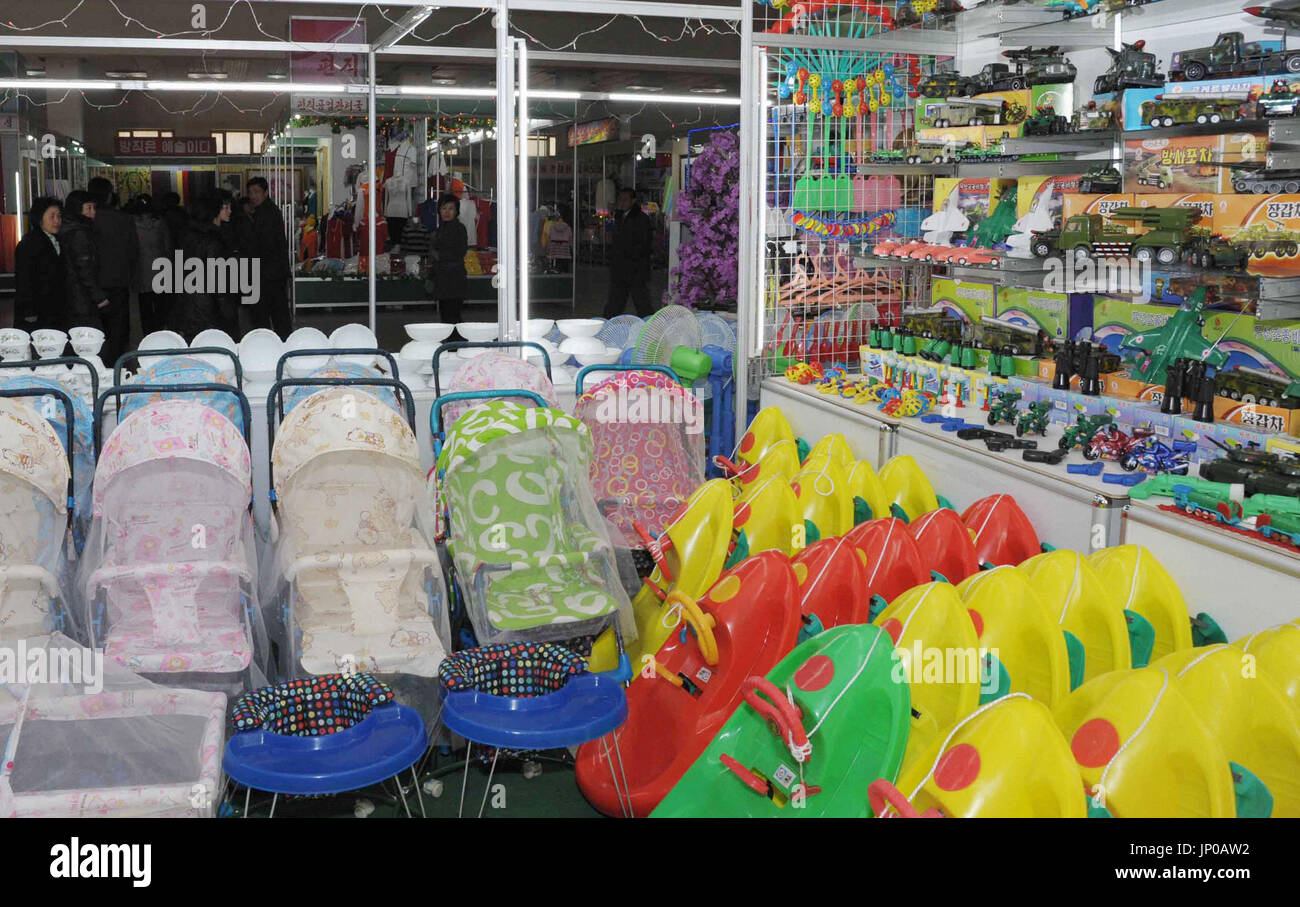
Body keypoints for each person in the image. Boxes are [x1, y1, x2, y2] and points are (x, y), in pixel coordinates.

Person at [87, 177, 137, 364]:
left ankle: (95, 365)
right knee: (118, 328)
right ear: (109, 195)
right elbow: (133, 251)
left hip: (92, 285)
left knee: (95, 329)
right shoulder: (123, 219)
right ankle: (116, 366)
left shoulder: (87, 219)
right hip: (118, 282)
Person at [170, 194, 228, 342]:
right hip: (207, 305)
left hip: (185, 302)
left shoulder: (184, 235)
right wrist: (227, 309)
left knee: (193, 347)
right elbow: (217, 279)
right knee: (210, 347)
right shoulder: (212, 241)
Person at [245, 176, 292, 338]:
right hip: (273, 273)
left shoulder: (266, 213)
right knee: (278, 315)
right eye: (250, 192)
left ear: (265, 193)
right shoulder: (265, 211)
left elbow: (264, 245)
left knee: (270, 315)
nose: (253, 196)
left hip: (269, 274)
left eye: (257, 192)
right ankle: (281, 345)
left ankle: (272, 346)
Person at [59, 190, 110, 336]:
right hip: (81, 299)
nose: (93, 212)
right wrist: (98, 296)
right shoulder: (79, 233)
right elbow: (84, 268)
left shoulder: (68, 229)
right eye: (89, 208)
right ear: (77, 208)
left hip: (74, 297)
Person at [14, 197, 67, 331]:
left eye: (59, 216)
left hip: (55, 308)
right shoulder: (29, 244)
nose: (57, 221)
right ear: (39, 219)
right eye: (52, 216)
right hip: (37, 311)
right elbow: (23, 279)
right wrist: (29, 310)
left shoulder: (57, 240)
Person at [603, 187, 654, 318]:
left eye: (625, 200)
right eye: (620, 199)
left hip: (635, 267)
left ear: (633, 201)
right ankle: (608, 326)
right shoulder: (619, 217)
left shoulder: (641, 219)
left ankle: (650, 329)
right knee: (615, 302)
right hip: (620, 267)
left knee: (641, 302)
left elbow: (644, 243)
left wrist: (630, 255)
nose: (622, 203)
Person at [130, 193, 172, 336]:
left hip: (140, 270)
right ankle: (159, 331)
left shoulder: (131, 223)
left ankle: (148, 335)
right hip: (160, 269)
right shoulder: (160, 222)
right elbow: (167, 246)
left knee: (145, 306)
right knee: (161, 304)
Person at [431, 193, 469, 333]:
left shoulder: (459, 229)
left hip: (454, 280)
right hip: (442, 280)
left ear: (456, 211)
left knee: (452, 317)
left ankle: (456, 347)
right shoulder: (441, 228)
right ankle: (453, 346)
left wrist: (438, 255)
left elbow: (460, 252)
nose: (446, 212)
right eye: (444, 208)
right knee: (446, 317)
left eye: (450, 209)